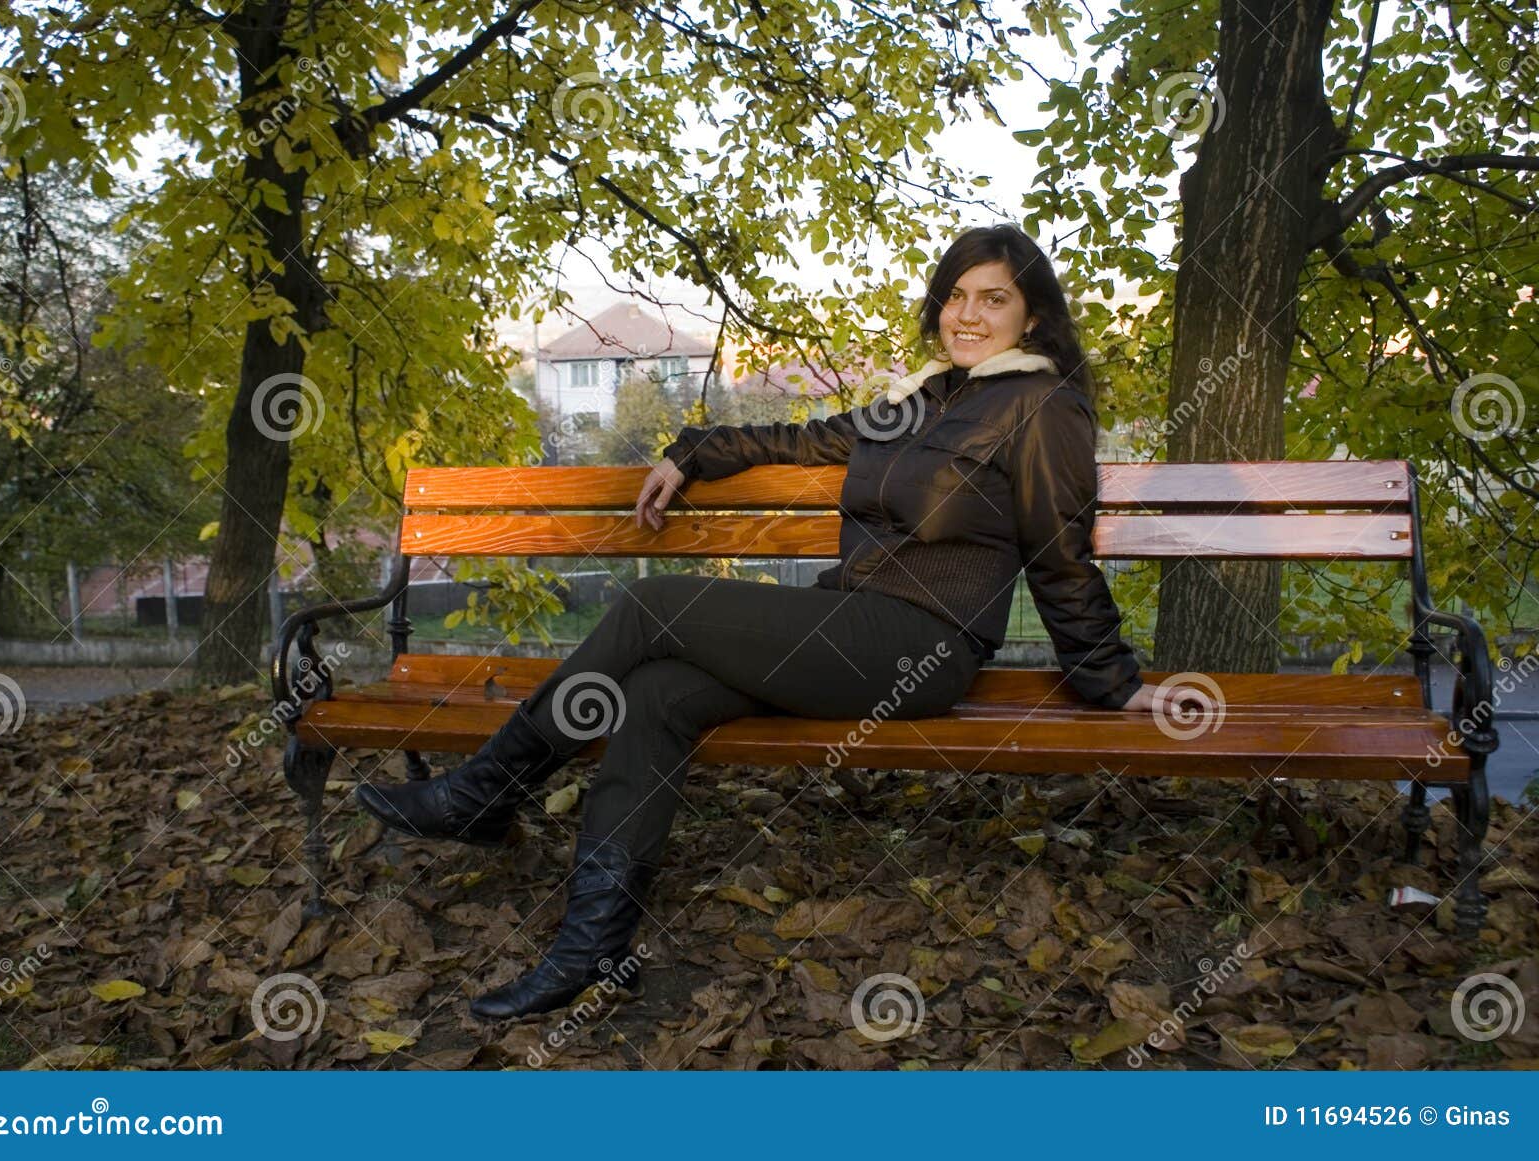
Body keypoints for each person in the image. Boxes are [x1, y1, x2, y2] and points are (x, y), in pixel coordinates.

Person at [356, 223, 1188, 1021]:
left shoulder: (1044, 407)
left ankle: (483, 791)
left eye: (993, 299)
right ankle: (589, 949)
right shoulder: (923, 399)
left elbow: (1060, 553)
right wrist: (693, 451)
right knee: (656, 694)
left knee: (651, 605)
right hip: (848, 624)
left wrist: (1112, 682)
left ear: (1031, 315)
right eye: (955, 295)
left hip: (921, 644)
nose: (966, 314)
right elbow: (801, 438)